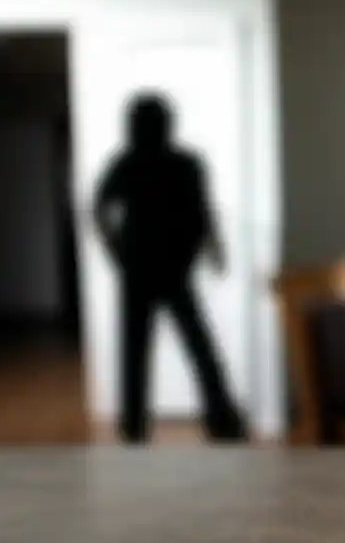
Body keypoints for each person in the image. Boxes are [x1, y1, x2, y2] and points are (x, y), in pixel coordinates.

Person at [93, 94, 246, 442]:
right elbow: (204, 213)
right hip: (172, 267)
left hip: (143, 269)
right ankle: (221, 419)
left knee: (139, 350)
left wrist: (115, 251)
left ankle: (134, 426)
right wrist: (214, 250)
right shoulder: (184, 163)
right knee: (198, 346)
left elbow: (99, 209)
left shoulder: (129, 163)